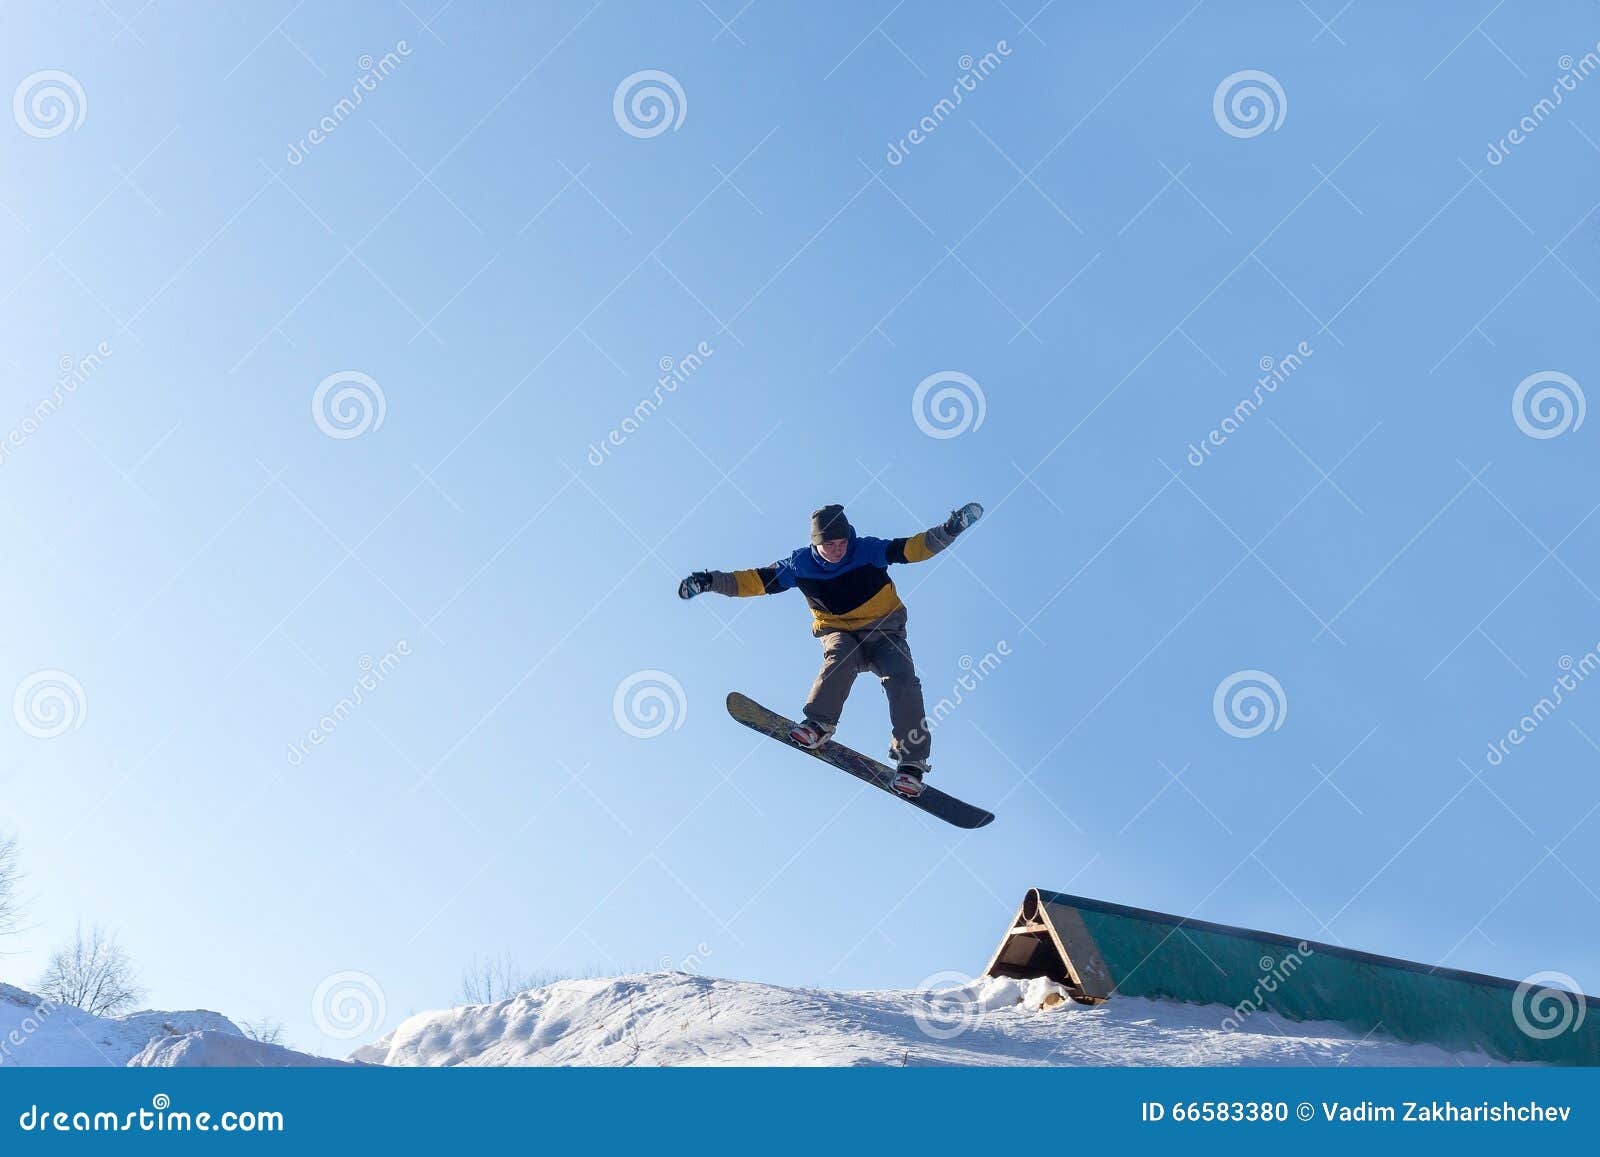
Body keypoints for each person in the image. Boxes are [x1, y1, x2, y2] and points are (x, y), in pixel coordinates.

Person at [678, 501, 983, 798]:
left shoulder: (867, 550)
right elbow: (752, 582)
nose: (838, 550)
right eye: (830, 545)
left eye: (842, 542)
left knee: (903, 679)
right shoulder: (799, 565)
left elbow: (912, 549)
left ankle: (911, 762)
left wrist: (949, 530)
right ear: (816, 544)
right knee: (840, 658)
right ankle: (819, 723)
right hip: (840, 632)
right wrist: (708, 581)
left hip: (884, 631)